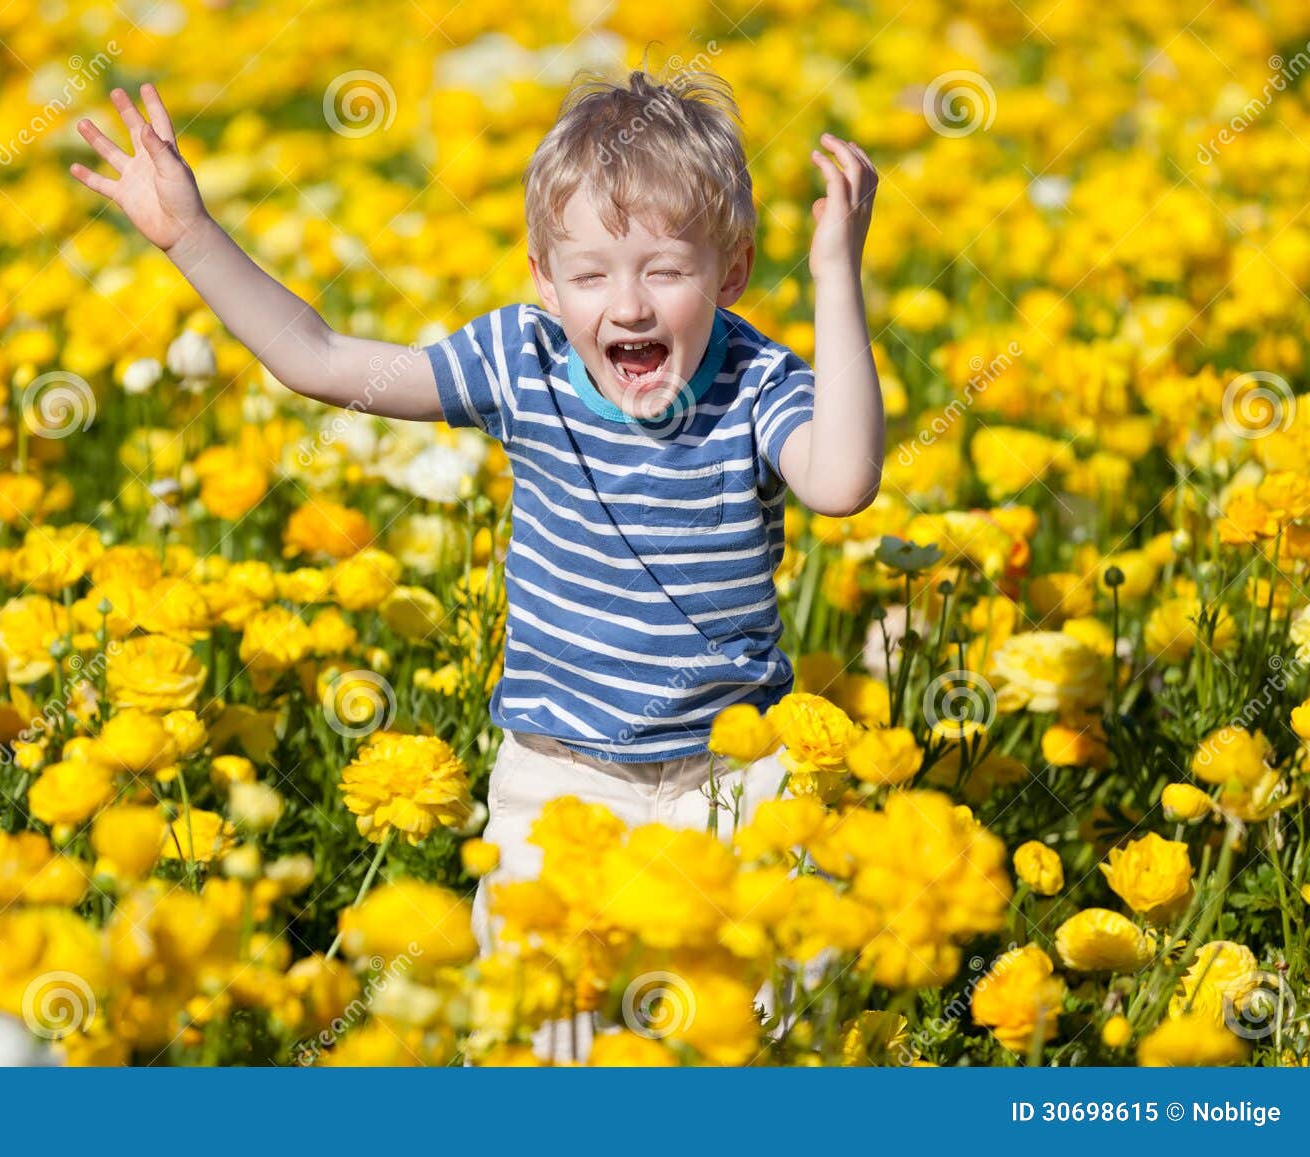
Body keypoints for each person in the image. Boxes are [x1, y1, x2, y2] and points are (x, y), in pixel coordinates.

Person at [71, 65, 883, 1062]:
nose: (625, 306)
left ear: (731, 271)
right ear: (544, 281)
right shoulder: (521, 361)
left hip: (733, 772)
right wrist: (190, 237)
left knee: (772, 1022)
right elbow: (321, 359)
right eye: (589, 275)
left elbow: (841, 479)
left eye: (663, 271)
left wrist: (836, 273)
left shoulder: (760, 382)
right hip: (561, 775)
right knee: (549, 1037)